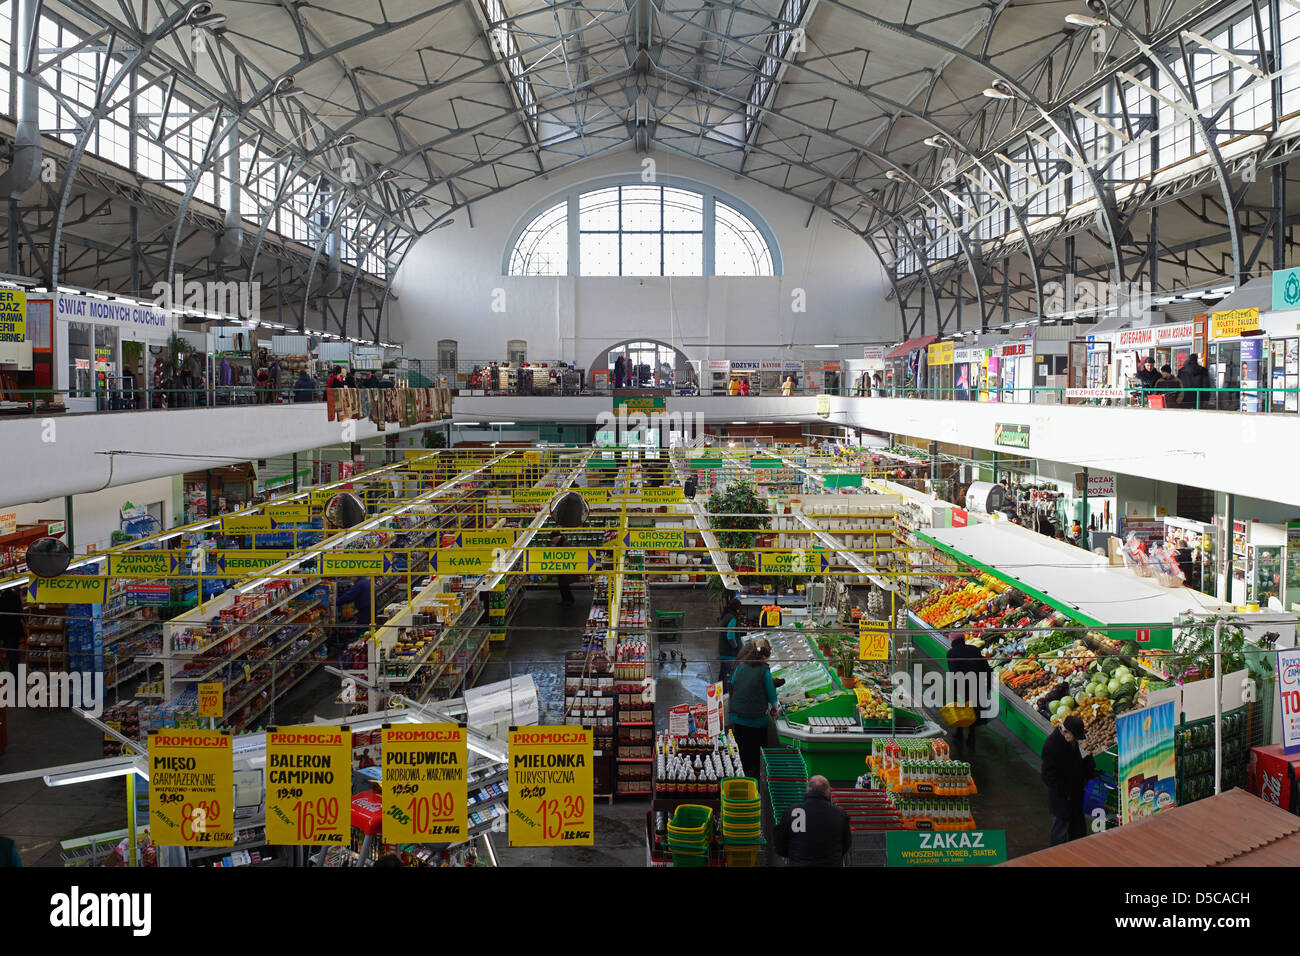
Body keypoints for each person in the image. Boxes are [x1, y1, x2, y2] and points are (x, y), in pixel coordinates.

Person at [728, 637, 779, 779]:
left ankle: (742, 776)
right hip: (756, 720)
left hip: (737, 717)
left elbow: (732, 683)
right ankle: (755, 779)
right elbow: (771, 694)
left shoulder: (741, 666)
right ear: (766, 655)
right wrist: (775, 707)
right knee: (757, 754)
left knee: (742, 752)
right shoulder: (764, 671)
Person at [773, 775, 852, 867]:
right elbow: (846, 845)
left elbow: (780, 846)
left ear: (807, 790)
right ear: (828, 792)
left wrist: (795, 855)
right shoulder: (840, 814)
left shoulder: (791, 812)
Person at [1041, 715, 1096, 845]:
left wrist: (1087, 765)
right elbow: (1047, 776)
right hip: (1063, 799)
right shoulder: (1052, 746)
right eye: (1075, 737)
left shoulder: (1070, 741)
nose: (1076, 740)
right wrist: (1067, 793)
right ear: (1065, 731)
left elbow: (1075, 764)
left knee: (1078, 832)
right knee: (1060, 833)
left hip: (1075, 796)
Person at [946, 634, 992, 754]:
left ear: (952, 641)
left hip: (962, 686)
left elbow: (954, 672)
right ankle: (971, 736)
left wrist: (954, 691)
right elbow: (986, 668)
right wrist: (987, 686)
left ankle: (959, 733)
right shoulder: (974, 649)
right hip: (978, 683)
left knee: (962, 710)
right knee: (974, 710)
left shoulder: (951, 653)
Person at [717, 595, 743, 687]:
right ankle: (725, 696)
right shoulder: (732, 618)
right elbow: (730, 636)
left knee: (723, 675)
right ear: (737, 609)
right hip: (729, 654)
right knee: (728, 677)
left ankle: (719, 696)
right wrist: (736, 647)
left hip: (723, 651)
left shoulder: (725, 616)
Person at [549, 530, 575, 605]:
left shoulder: (564, 543)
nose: (552, 541)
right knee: (563, 584)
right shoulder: (562, 542)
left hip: (565, 568)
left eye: (552, 539)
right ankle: (567, 599)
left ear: (556, 538)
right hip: (562, 567)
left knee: (564, 584)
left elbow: (568, 555)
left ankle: (568, 600)